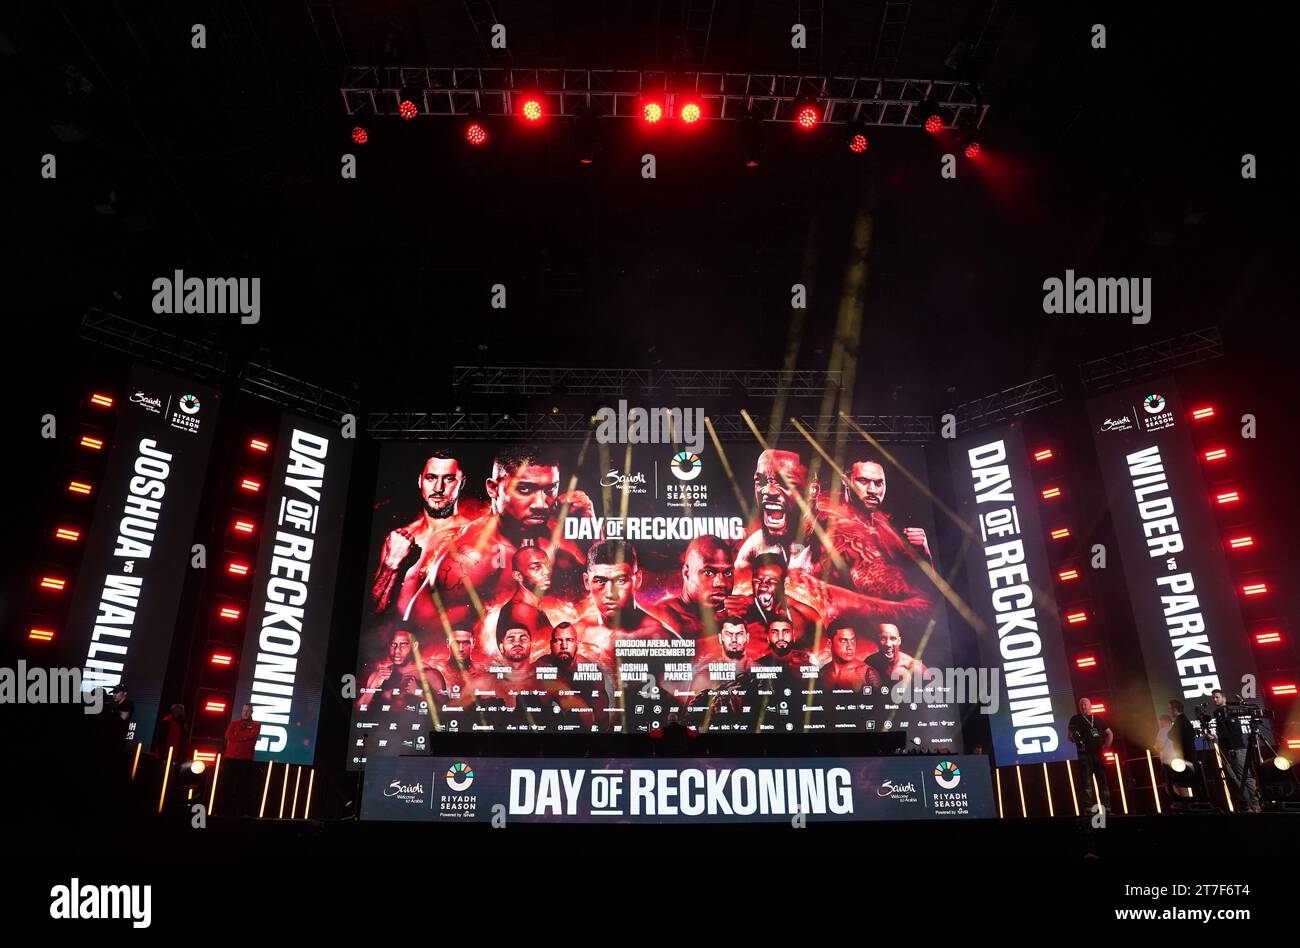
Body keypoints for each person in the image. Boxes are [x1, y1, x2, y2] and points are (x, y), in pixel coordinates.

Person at [430, 446, 594, 629]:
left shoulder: (559, 529)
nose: (541, 504)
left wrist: (589, 524)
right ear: (493, 489)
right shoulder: (468, 561)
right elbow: (428, 643)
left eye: (549, 490)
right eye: (524, 489)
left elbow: (602, 589)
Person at [369, 453, 472, 620]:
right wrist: (391, 565)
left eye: (449, 479)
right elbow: (373, 612)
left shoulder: (472, 534)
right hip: (393, 643)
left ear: (461, 483)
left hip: (438, 643)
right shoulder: (399, 538)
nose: (438, 488)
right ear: (420, 481)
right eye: (431, 478)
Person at [654, 535, 747, 641]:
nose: (721, 583)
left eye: (728, 573)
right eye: (708, 572)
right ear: (686, 573)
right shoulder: (661, 617)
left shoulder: (728, 616)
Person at [1209, 689, 1261, 813]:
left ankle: (1256, 804)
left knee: (1244, 776)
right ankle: (1248, 805)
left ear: (1224, 698)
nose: (1214, 700)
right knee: (1235, 778)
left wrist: (1217, 736)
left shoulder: (1229, 712)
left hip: (1237, 749)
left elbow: (1233, 732)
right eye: (1213, 698)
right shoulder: (1219, 713)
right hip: (1227, 750)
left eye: (1217, 697)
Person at [1067, 698, 1113, 813]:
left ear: (1090, 705)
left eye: (1085, 704)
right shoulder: (1075, 719)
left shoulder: (1097, 718)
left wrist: (1107, 746)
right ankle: (1088, 809)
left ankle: (1106, 807)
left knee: (1102, 782)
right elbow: (1069, 736)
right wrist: (1074, 738)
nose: (1083, 706)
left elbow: (1109, 733)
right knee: (1086, 783)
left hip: (1098, 754)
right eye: (1081, 704)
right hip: (1084, 755)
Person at [222, 704, 262, 817]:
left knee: (242, 787)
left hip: (245, 759)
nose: (245, 713)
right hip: (230, 758)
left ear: (252, 712)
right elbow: (227, 736)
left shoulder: (256, 725)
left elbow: (251, 735)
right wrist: (243, 737)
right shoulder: (234, 723)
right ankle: (224, 811)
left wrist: (237, 735)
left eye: (248, 711)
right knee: (227, 785)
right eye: (244, 710)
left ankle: (240, 812)